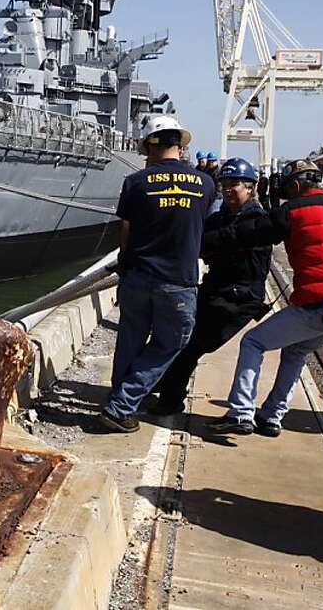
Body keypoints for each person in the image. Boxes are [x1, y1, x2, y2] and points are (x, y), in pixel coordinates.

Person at [204, 159, 323, 436]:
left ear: (296, 185)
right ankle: (272, 417)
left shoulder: (294, 210)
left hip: (320, 306)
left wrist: (200, 242)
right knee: (297, 349)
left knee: (254, 342)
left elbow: (246, 234)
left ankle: (240, 413)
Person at [100, 115, 217, 433]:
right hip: (178, 281)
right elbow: (202, 225)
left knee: (130, 340)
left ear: (149, 147)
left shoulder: (135, 182)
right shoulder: (206, 184)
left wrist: (126, 262)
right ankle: (121, 404)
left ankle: (120, 399)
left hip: (137, 276)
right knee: (169, 344)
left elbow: (126, 229)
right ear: (180, 147)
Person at [152, 158, 273, 414]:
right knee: (179, 339)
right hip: (216, 291)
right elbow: (202, 242)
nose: (228, 190)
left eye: (235, 185)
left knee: (191, 346)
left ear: (251, 188)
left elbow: (213, 244)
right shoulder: (219, 218)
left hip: (238, 299)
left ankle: (169, 402)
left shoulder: (258, 221)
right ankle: (162, 386)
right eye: (225, 185)